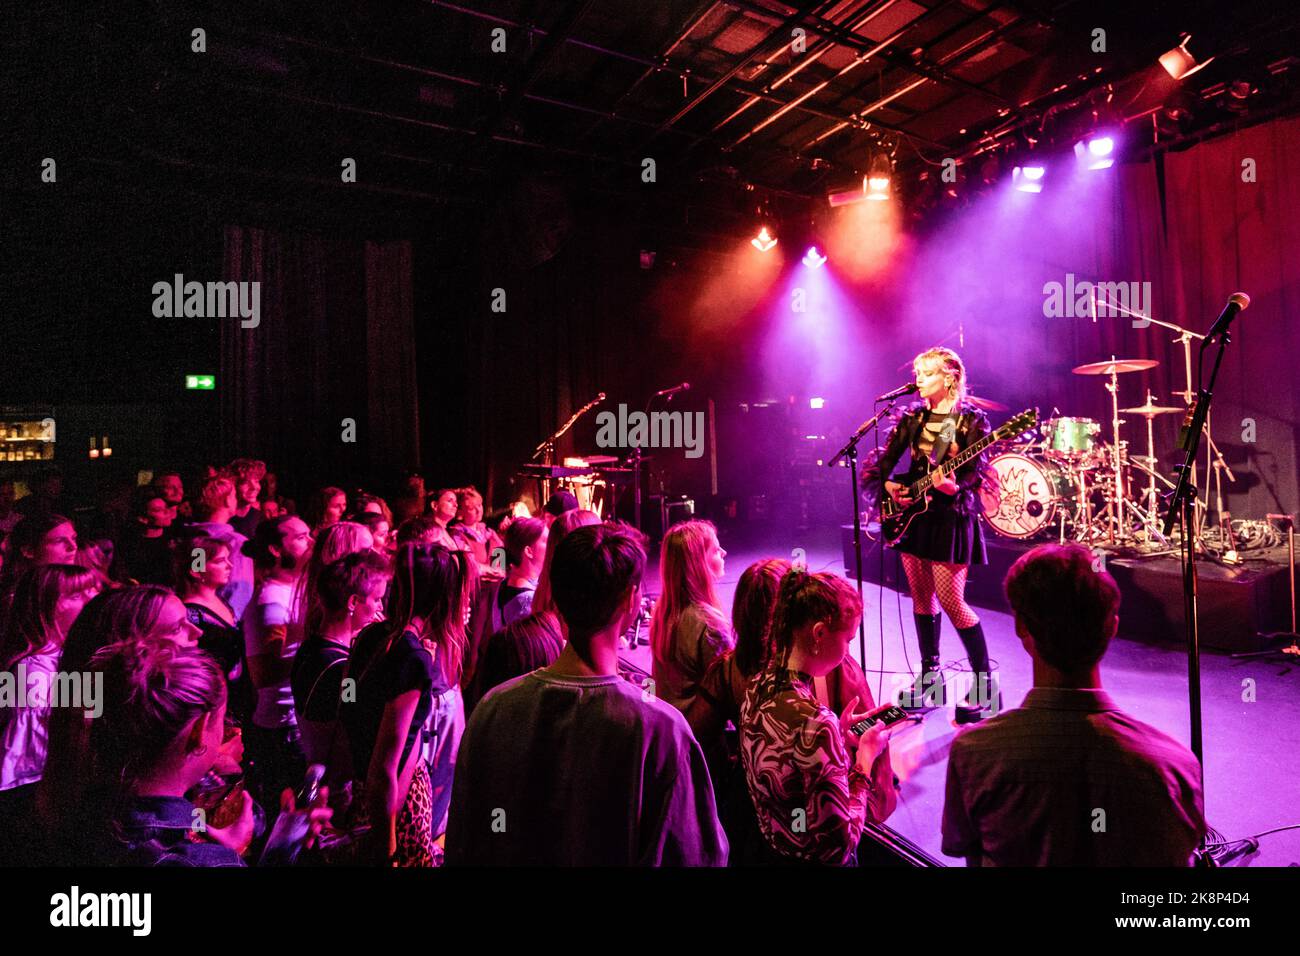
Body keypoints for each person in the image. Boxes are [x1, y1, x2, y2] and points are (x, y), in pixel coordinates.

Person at [446, 522, 728, 866]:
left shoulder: (491, 710)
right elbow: (694, 855)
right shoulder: (661, 730)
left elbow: (463, 842)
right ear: (631, 600)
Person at [941, 543, 1206, 866]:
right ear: (1113, 627)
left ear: (1021, 627)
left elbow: (971, 856)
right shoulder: (1174, 765)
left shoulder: (972, 751)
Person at [88, 640, 331, 866]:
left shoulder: (83, 807)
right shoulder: (205, 862)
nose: (229, 730)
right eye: (223, 720)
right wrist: (284, 848)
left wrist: (227, 848)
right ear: (198, 731)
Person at [865, 346, 996, 723]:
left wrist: (956, 488)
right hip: (916, 516)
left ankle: (985, 688)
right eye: (919, 373)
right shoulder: (913, 418)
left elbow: (972, 475)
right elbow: (885, 465)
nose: (918, 380)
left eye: (927, 373)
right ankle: (930, 679)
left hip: (950, 517)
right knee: (922, 599)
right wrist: (889, 485)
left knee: (952, 602)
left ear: (950, 376)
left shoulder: (970, 421)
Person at [739, 569, 896, 866]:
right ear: (820, 634)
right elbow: (841, 845)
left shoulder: (756, 686)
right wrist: (865, 758)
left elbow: (788, 770)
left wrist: (836, 731)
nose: (848, 650)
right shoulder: (816, 723)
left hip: (767, 853)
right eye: (847, 639)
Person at [343, 544, 476, 865]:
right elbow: (386, 766)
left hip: (365, 795)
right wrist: (386, 846)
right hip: (396, 809)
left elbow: (347, 708)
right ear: (444, 598)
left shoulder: (372, 636)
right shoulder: (411, 658)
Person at [0, 565, 102, 863]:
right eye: (78, 593)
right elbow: (23, 759)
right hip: (27, 799)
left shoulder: (66, 659)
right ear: (47, 607)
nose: (92, 597)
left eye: (93, 589)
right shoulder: (31, 671)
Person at [240, 515, 314, 809]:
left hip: (295, 721)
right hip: (283, 728)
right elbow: (264, 674)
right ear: (274, 549)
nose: (310, 542)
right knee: (290, 815)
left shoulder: (291, 591)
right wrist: (316, 653)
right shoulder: (271, 598)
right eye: (300, 537)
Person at [292, 550, 391, 769]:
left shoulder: (310, 647)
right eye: (377, 599)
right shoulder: (342, 671)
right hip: (334, 778)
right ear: (354, 602)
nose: (381, 607)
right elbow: (351, 722)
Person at [649, 520, 732, 740]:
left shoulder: (663, 612)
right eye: (715, 550)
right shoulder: (709, 625)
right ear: (699, 563)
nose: (723, 552)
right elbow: (729, 692)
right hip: (702, 740)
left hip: (671, 730)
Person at [173, 531, 251, 722]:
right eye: (220, 561)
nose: (230, 565)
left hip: (234, 695)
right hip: (211, 704)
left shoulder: (219, 599)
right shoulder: (190, 614)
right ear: (196, 569)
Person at [188, 473, 256, 620]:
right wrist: (231, 621)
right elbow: (239, 590)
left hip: (193, 614)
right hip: (221, 621)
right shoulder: (236, 543)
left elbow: (198, 577)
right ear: (227, 501)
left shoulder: (194, 536)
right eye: (234, 496)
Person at [118, 487, 175, 585]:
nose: (167, 512)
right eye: (158, 510)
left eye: (166, 507)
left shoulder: (177, 535)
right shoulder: (130, 545)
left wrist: (199, 575)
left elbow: (199, 551)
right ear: (143, 518)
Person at [228, 458, 267, 539]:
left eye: (256, 481)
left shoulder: (261, 519)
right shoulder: (224, 517)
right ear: (233, 485)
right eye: (245, 482)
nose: (254, 487)